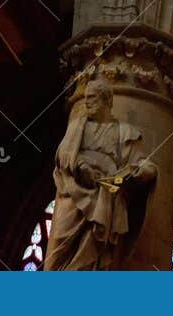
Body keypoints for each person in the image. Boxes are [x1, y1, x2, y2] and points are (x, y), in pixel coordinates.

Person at [44, 76, 157, 269]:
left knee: (93, 257)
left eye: (92, 97)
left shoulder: (125, 132)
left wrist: (141, 173)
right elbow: (62, 155)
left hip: (104, 198)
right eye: (86, 97)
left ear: (107, 101)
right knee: (56, 256)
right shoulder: (77, 126)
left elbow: (144, 165)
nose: (86, 101)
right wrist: (81, 166)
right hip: (72, 196)